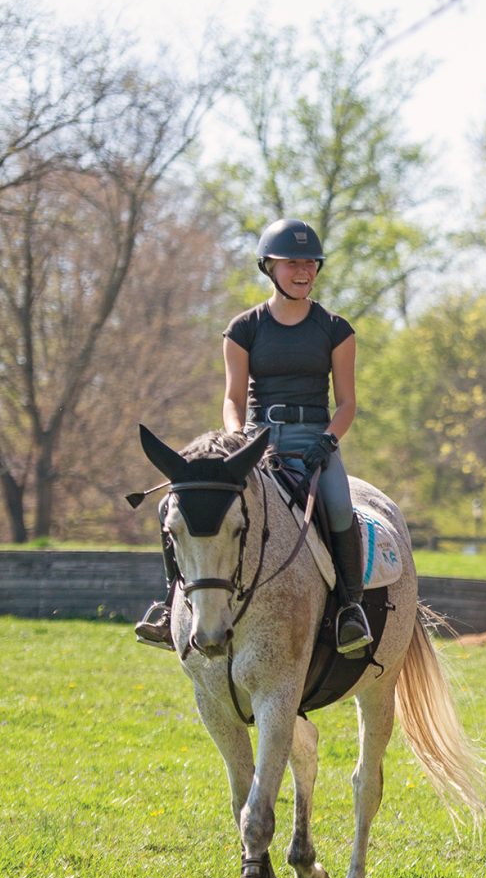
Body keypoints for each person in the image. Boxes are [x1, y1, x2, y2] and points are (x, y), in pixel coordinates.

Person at [135, 218, 374, 656]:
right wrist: (238, 443)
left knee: (340, 508)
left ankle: (349, 609)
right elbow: (232, 399)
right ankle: (171, 606)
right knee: (170, 505)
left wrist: (328, 441)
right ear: (269, 267)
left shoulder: (336, 329)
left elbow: (347, 404)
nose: (303, 271)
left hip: (314, 437)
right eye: (292, 263)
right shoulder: (244, 328)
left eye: (310, 263)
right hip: (255, 443)